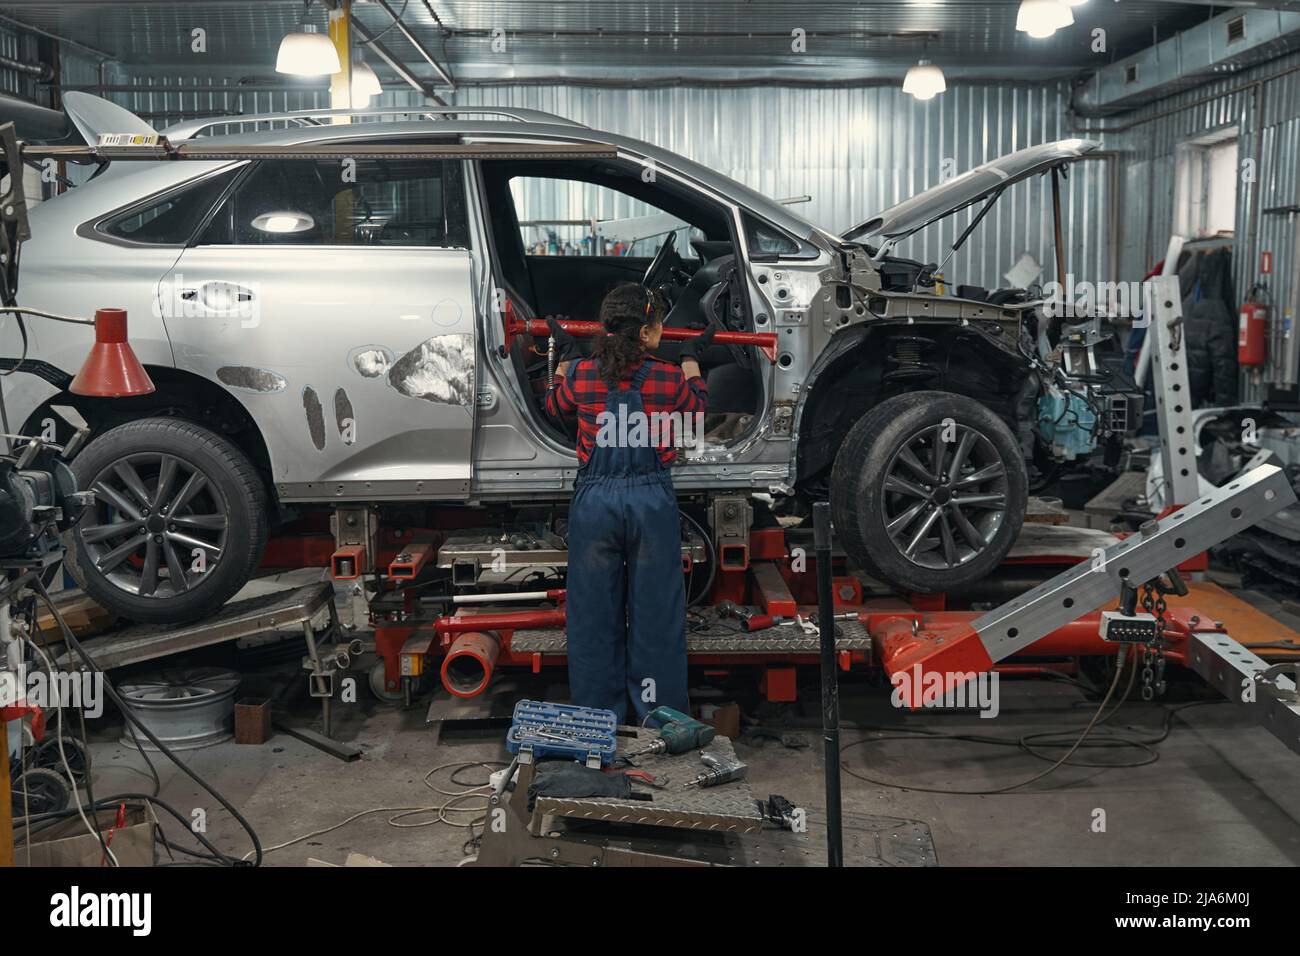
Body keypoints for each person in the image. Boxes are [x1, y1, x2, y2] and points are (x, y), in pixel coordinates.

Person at [544, 282, 721, 723]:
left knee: (592, 618)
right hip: (650, 503)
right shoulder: (666, 377)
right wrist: (692, 359)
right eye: (659, 323)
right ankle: (657, 717)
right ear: (645, 333)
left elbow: (554, 405)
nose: (663, 329)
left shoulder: (585, 374)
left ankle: (598, 718)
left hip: (595, 505)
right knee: (656, 616)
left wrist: (564, 360)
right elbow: (697, 407)